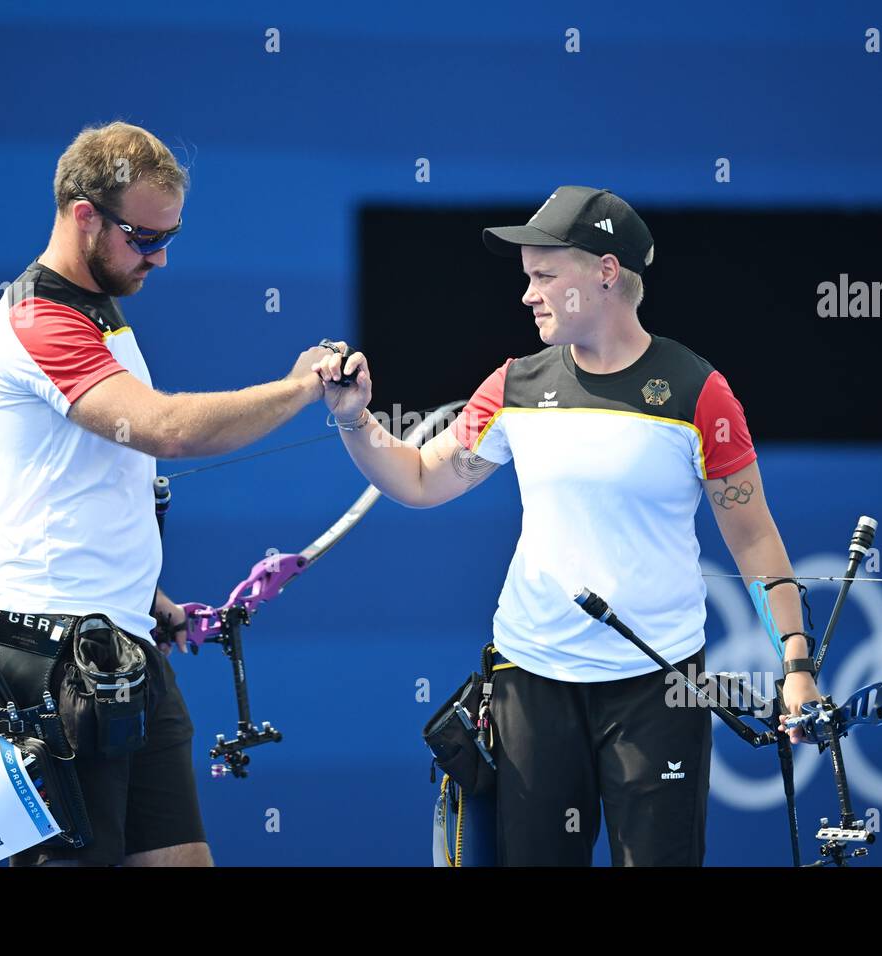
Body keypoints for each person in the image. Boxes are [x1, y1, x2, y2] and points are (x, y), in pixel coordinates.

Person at [314, 186, 824, 866]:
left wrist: (795, 661)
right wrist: (355, 417)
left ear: (606, 273)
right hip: (530, 680)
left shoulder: (698, 392)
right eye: (528, 278)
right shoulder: (514, 384)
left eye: (545, 275)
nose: (528, 294)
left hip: (659, 684)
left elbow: (754, 537)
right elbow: (417, 478)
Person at [0, 121, 340, 866]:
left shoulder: (100, 312)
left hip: (121, 640)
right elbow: (166, 429)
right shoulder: (39, 323)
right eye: (143, 237)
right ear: (84, 217)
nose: (161, 256)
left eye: (170, 235)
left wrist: (153, 598)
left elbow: (90, 485)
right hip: (51, 664)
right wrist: (301, 387)